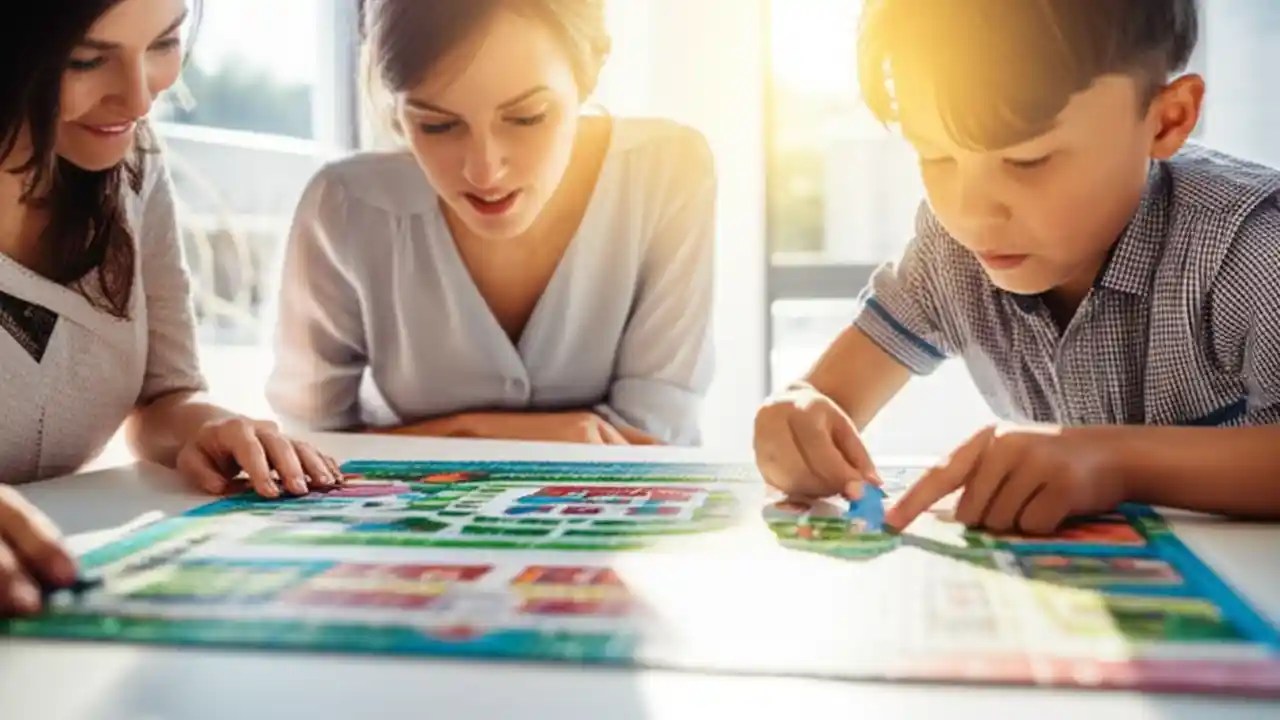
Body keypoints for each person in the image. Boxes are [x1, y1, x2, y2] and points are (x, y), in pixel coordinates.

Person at [754, 0, 1280, 535]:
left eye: (1027, 161)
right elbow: (824, 398)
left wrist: (1114, 461)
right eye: (936, 157)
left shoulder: (1249, 243)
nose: (974, 212)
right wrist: (793, 420)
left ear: (1168, 119)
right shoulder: (951, 251)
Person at [0, 0, 341, 616]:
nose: (137, 100)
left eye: (164, 42)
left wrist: (203, 426)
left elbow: (163, 395)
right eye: (86, 60)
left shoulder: (133, 163)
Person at [267, 0, 716, 447]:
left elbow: (653, 438)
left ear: (590, 70)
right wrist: (477, 430)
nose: (484, 172)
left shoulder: (667, 174)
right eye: (437, 125)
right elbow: (310, 446)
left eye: (527, 118)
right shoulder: (346, 207)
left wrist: (449, 436)